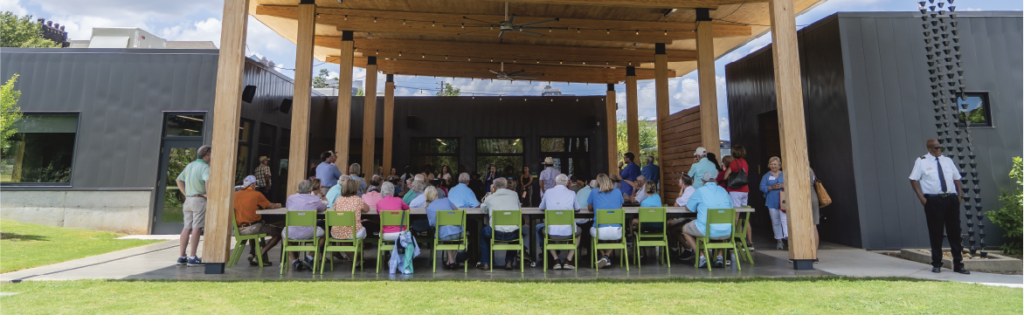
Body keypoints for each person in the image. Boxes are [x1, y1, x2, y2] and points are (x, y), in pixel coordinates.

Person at [910, 139, 970, 274]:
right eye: (936, 148)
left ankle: (958, 264)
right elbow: (913, 179)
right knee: (936, 232)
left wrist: (959, 195)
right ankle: (937, 263)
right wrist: (922, 198)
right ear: (929, 148)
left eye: (940, 148)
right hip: (934, 200)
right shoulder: (922, 161)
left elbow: (956, 178)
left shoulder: (947, 160)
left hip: (951, 199)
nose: (939, 150)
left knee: (954, 232)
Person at [682, 173, 735, 268]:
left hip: (707, 230)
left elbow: (688, 208)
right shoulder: (723, 190)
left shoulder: (700, 191)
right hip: (727, 230)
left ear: (703, 182)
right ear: (714, 181)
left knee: (685, 229)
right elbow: (731, 207)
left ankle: (701, 257)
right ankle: (719, 257)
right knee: (720, 225)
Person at [234, 175, 283, 267]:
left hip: (239, 229)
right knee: (279, 232)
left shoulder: (235, 195)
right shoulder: (256, 194)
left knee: (255, 224)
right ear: (253, 184)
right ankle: (260, 254)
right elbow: (271, 206)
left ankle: (252, 252)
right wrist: (278, 205)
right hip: (252, 228)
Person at [174, 145, 211, 267]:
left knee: (186, 227)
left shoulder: (190, 165)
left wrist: (186, 194)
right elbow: (208, 181)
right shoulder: (205, 167)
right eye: (211, 154)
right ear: (206, 155)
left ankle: (182, 256)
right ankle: (193, 257)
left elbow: (179, 180)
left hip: (188, 200)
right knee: (197, 227)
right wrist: (209, 194)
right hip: (199, 200)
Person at [535, 174, 581, 270]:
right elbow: (577, 209)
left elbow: (541, 208)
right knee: (579, 232)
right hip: (568, 230)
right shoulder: (572, 193)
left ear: (555, 183)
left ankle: (556, 260)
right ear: (567, 183)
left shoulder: (548, 192)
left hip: (551, 230)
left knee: (545, 231)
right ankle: (569, 259)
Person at [478, 178, 523, 270]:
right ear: (506, 186)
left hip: (496, 233)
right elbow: (518, 207)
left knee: (483, 231)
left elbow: (484, 209)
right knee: (517, 230)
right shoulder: (515, 195)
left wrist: (491, 193)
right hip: (513, 234)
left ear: (494, 187)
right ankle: (509, 262)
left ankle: (485, 263)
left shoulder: (490, 197)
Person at [285, 180, 327, 271]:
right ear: (311, 188)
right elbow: (324, 208)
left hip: (293, 231)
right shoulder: (314, 199)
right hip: (309, 232)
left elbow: (288, 208)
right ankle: (309, 257)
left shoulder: (290, 198)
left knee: (284, 235)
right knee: (324, 234)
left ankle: (294, 260)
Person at [587, 173, 625, 269]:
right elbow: (620, 208)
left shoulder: (594, 192)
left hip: (600, 230)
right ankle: (606, 256)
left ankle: (603, 255)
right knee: (614, 235)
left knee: (594, 230)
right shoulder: (617, 192)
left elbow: (589, 208)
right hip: (617, 231)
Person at [328, 179, 370, 264]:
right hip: (354, 231)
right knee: (362, 233)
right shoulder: (358, 200)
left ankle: (355, 260)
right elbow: (367, 209)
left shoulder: (338, 200)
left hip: (337, 231)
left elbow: (336, 209)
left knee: (344, 240)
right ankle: (358, 258)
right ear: (355, 189)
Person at [423, 186, 463, 270]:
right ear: (437, 193)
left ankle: (450, 261)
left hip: (443, 235)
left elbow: (432, 224)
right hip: (458, 233)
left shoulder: (428, 207)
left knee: (445, 232)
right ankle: (451, 260)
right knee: (456, 234)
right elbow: (458, 212)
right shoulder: (446, 200)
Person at [722, 145, 752, 248]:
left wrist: (729, 174)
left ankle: (739, 242)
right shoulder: (745, 162)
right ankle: (749, 242)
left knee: (736, 217)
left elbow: (726, 176)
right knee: (745, 217)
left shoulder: (734, 163)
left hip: (736, 191)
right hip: (745, 191)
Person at [759, 156, 787, 250]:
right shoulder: (766, 176)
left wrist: (783, 185)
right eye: (771, 164)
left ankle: (788, 238)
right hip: (771, 200)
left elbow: (791, 184)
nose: (773, 166)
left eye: (775, 164)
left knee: (785, 220)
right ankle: (779, 240)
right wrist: (770, 188)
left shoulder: (784, 174)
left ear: (779, 165)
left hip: (784, 200)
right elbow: (761, 187)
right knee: (775, 221)